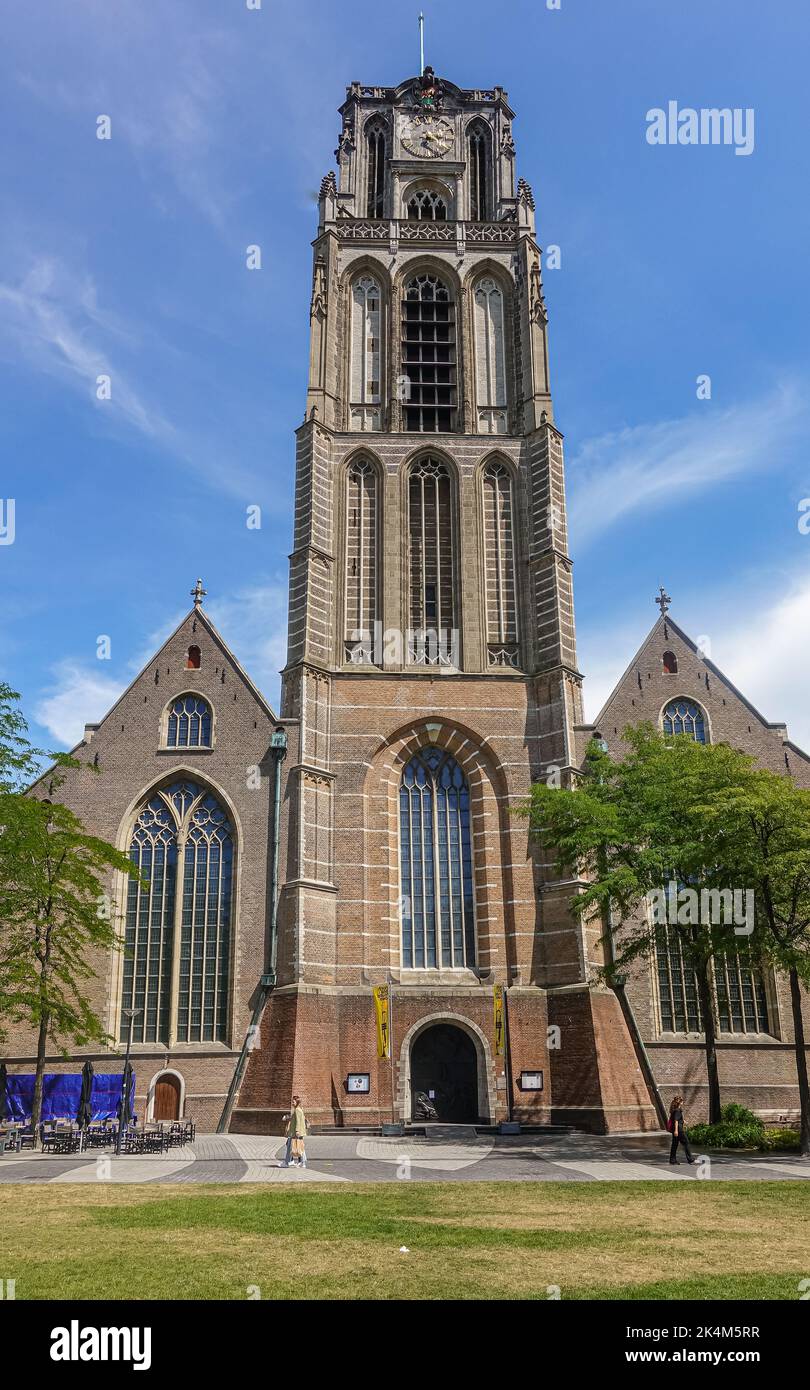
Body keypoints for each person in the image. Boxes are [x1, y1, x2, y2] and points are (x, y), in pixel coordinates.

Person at [668, 1094, 695, 1165]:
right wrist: (676, 1130)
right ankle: (690, 1159)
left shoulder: (674, 1110)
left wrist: (683, 1121)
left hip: (675, 1129)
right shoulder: (678, 1110)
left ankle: (672, 1160)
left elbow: (677, 1119)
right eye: (682, 1101)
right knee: (686, 1143)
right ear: (679, 1102)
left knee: (674, 1145)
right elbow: (676, 1121)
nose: (683, 1102)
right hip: (679, 1130)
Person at [282, 1095, 308, 1169]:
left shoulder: (297, 1110)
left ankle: (288, 1162)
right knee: (299, 1147)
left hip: (296, 1132)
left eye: (293, 1102)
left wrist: (297, 1131)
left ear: (297, 1102)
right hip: (297, 1132)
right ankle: (301, 1162)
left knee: (292, 1146)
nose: (292, 1103)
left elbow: (298, 1122)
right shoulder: (299, 1109)